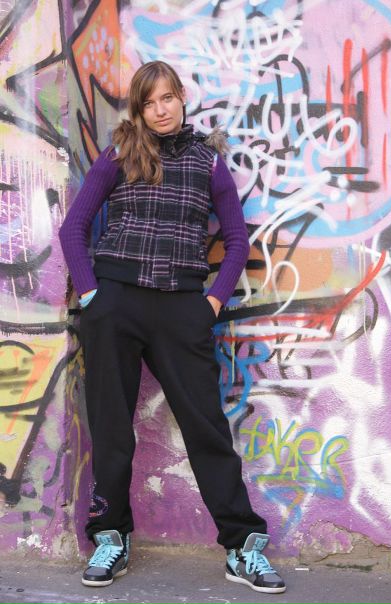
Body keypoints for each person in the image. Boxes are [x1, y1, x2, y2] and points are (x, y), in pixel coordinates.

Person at [59, 60, 286, 594]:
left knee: (207, 427)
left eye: (167, 98)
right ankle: (111, 537)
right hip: (115, 305)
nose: (159, 111)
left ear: (182, 97)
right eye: (148, 103)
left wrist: (210, 304)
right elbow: (73, 229)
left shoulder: (209, 162)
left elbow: (236, 241)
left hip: (182, 309)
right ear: (138, 110)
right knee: (112, 428)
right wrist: (93, 296)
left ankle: (242, 545)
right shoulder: (119, 154)